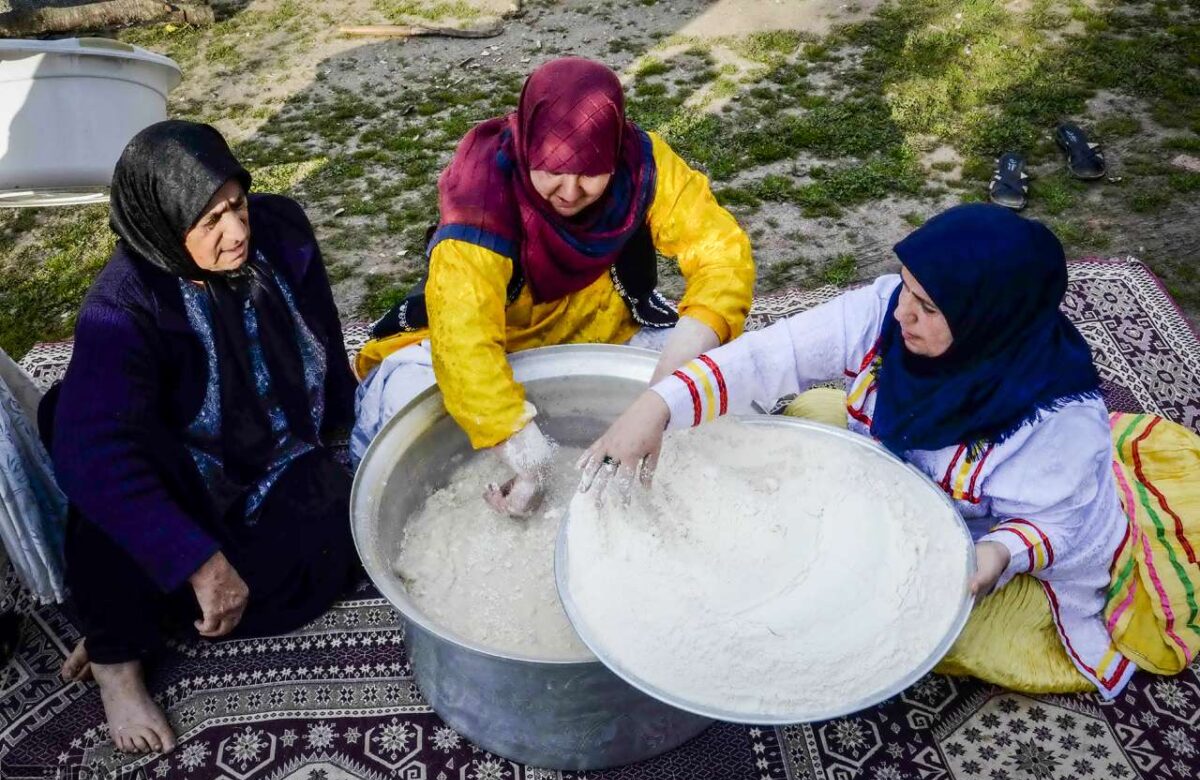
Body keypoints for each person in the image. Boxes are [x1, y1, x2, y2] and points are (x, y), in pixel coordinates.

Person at [581, 203, 1200, 699]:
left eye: (928, 307)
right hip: (900, 467)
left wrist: (997, 552)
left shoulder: (1057, 427)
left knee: (936, 635)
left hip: (987, 526)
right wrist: (656, 408)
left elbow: (1056, 522)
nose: (903, 312)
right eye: (906, 288)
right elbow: (777, 354)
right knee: (805, 418)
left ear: (990, 323)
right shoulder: (888, 311)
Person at [48, 121, 360, 754]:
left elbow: (323, 334)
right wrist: (196, 560)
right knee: (100, 483)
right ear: (163, 226)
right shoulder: (123, 306)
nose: (238, 231)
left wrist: (343, 437)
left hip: (270, 449)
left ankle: (147, 603)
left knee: (337, 542)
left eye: (237, 205)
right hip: (182, 463)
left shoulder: (281, 232)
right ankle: (116, 659)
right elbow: (97, 455)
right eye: (210, 221)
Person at [352, 56, 755, 516]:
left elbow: (723, 255)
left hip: (600, 322)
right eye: (552, 170)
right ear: (526, 145)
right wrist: (529, 460)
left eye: (590, 172)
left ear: (614, 148)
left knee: (726, 376)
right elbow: (464, 337)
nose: (569, 190)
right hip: (496, 338)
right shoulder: (480, 195)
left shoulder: (644, 164)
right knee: (408, 407)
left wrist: (662, 394)